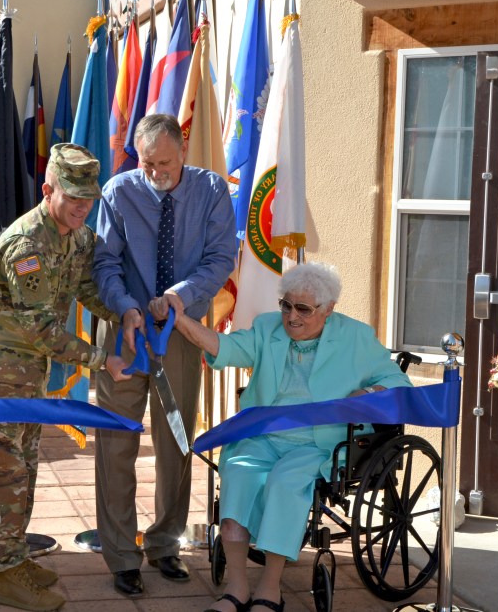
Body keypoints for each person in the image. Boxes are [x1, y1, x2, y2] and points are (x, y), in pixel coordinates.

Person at [167, 262, 413, 612]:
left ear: (328, 310)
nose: (291, 316)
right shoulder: (268, 328)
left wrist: (370, 390)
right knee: (236, 473)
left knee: (285, 483)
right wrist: (181, 320)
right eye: (286, 305)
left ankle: (270, 589)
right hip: (263, 436)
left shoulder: (355, 337)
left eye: (303, 309)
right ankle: (236, 589)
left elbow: (398, 381)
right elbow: (225, 347)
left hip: (319, 442)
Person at [0, 143, 130, 612]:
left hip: (30, 371)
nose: (82, 206)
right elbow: (38, 327)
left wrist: (126, 312)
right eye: (73, 196)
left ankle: (13, 557)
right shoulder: (27, 244)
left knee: (25, 468)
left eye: (88, 198)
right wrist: (102, 360)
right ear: (48, 190)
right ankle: (3, 572)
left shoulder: (75, 236)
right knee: (3, 470)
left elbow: (86, 287)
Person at [93, 113, 238, 596]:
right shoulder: (118, 192)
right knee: (117, 444)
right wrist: (127, 308)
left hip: (180, 328)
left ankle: (164, 543)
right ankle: (120, 554)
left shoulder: (212, 190)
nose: (155, 172)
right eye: (147, 162)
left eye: (165, 163)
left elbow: (221, 258)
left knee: (176, 439)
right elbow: (106, 263)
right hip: (125, 331)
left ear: (184, 151)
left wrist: (179, 295)